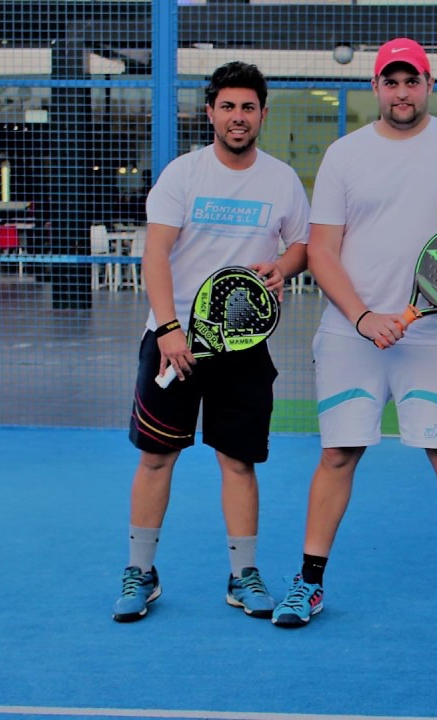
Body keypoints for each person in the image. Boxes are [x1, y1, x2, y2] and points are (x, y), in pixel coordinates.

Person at [270, 38, 437, 634]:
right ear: (376, 88)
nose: (402, 92)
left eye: (413, 80)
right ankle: (308, 583)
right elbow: (322, 251)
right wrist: (362, 317)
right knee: (337, 454)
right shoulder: (345, 155)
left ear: (429, 85)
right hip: (352, 336)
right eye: (391, 82)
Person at [112, 61, 309, 623]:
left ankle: (243, 574)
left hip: (243, 347)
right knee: (156, 458)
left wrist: (283, 266)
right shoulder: (183, 175)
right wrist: (171, 328)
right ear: (210, 113)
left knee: (238, 462)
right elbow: (156, 255)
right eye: (228, 106)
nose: (238, 117)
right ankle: (140, 572)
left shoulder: (281, 180)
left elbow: (300, 245)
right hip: (173, 341)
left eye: (248, 107)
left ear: (263, 114)